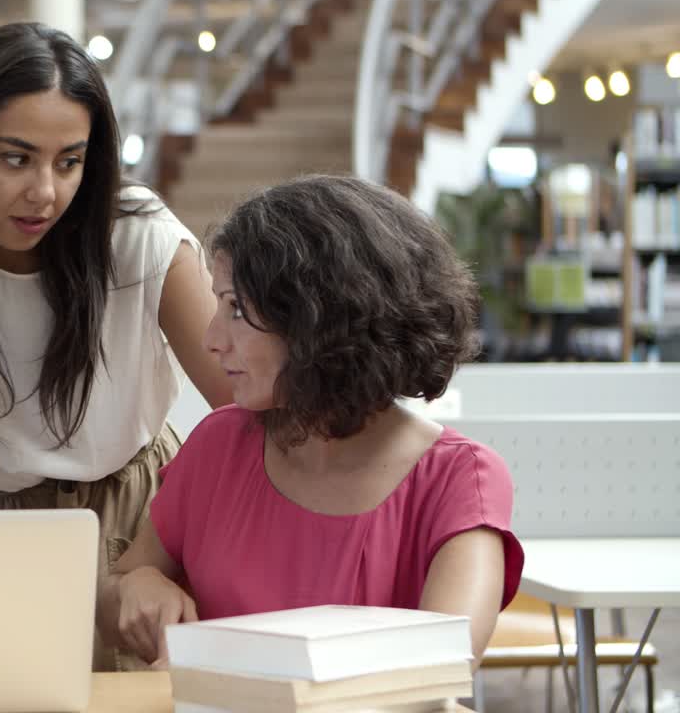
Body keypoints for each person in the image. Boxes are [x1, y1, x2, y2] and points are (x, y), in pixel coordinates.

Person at [0, 22, 233, 671]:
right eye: (16, 158)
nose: (45, 191)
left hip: (129, 519)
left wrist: (166, 542)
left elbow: (243, 405)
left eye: (70, 161)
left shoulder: (140, 237)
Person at [98, 175, 525, 668]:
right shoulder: (219, 444)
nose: (212, 338)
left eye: (236, 308)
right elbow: (113, 602)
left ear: (321, 318)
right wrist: (139, 585)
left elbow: (442, 664)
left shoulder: (459, 479)